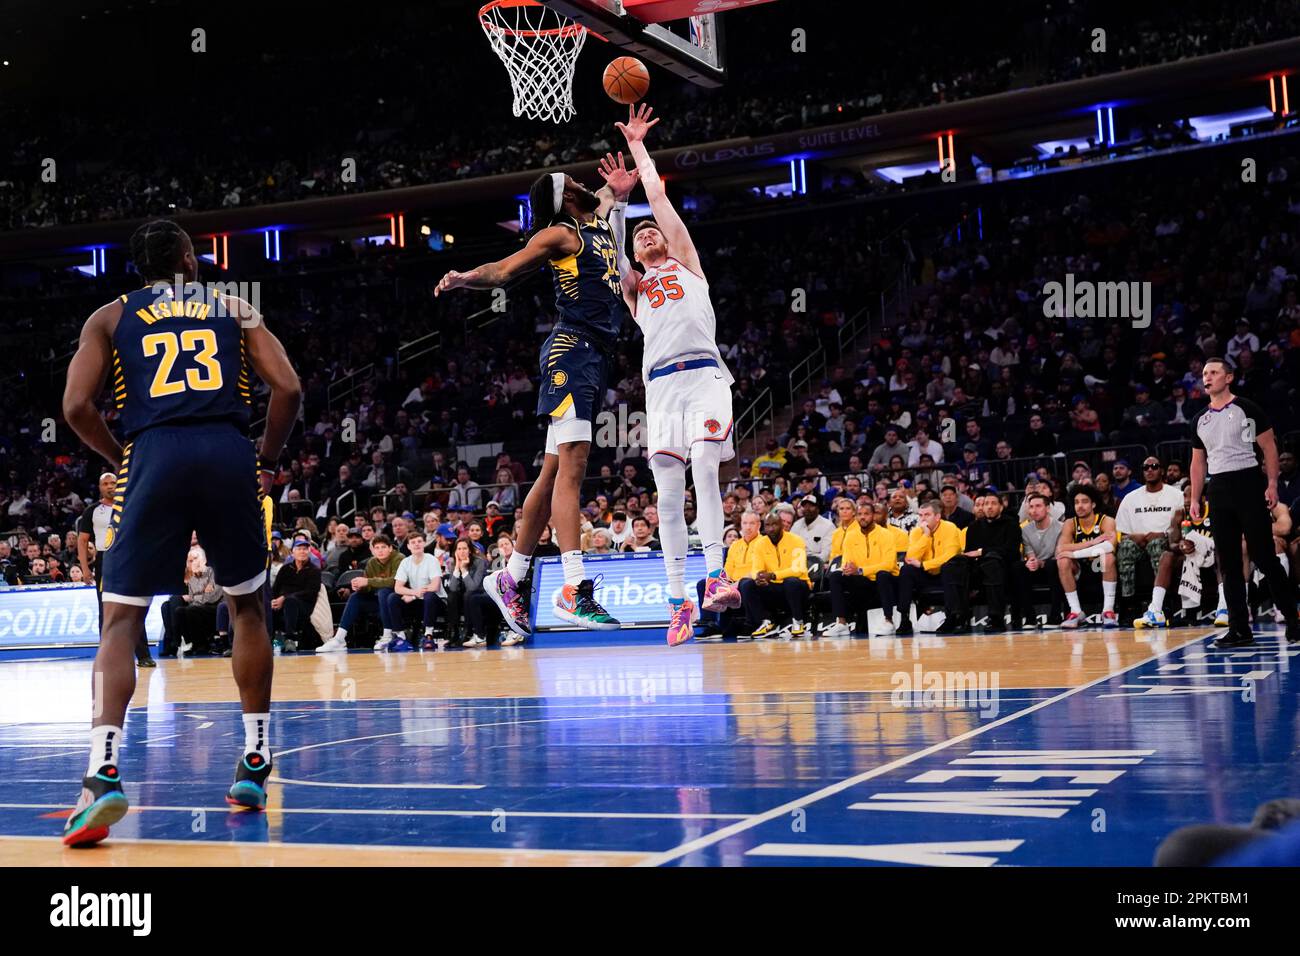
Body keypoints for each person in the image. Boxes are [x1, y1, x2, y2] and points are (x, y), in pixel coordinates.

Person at [59, 219, 301, 845]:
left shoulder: (108, 318)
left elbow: (76, 408)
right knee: (247, 606)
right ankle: (254, 760)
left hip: (154, 452)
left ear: (137, 269)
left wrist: (121, 459)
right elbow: (289, 387)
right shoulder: (233, 306)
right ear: (191, 260)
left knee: (121, 622)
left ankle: (103, 774)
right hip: (227, 449)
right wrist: (267, 460)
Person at [437, 152, 637, 639]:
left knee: (550, 475)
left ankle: (512, 575)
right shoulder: (561, 234)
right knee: (573, 466)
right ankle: (573, 588)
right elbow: (504, 270)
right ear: (564, 197)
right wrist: (466, 277)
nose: (586, 182)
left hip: (595, 356)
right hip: (572, 352)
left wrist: (625, 185)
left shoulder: (595, 223)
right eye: (575, 181)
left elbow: (612, 195)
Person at [607, 104, 738, 647]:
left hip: (705, 375)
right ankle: (677, 597)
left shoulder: (685, 261)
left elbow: (657, 200)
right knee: (664, 492)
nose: (645, 235)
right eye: (639, 237)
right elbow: (614, 250)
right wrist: (616, 203)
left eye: (649, 233)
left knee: (705, 462)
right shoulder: (634, 288)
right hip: (659, 388)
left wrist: (638, 148)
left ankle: (717, 576)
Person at [1189, 358, 1300, 647]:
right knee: (1228, 562)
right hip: (1219, 488)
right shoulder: (1199, 419)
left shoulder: (1247, 409)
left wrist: (1272, 483)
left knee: (1264, 557)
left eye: (1213, 372)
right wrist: (1195, 497)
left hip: (1248, 482)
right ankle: (1240, 628)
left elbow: (1268, 447)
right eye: (1204, 374)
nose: (1207, 377)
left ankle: (1292, 619)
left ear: (1229, 378)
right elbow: (1198, 462)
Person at [77, 471, 154, 667]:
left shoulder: (129, 506)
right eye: (106, 484)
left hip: (129, 558)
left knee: (135, 606)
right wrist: (85, 569)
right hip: (105, 559)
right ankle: (108, 656)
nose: (110, 486)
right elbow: (83, 540)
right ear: (100, 487)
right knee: (106, 609)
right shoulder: (92, 511)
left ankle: (144, 655)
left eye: (113, 483)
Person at [1115, 456, 1184, 614]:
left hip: (1166, 541)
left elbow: (1182, 525)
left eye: (1154, 466)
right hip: (1136, 543)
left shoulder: (1176, 495)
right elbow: (1120, 531)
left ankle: (1161, 603)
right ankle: (1128, 605)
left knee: (1156, 545)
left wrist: (1163, 535)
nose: (1150, 470)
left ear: (1162, 471)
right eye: (1146, 467)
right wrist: (1133, 537)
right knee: (1125, 547)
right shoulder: (1130, 498)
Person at [823, 496, 899, 637]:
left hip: (886, 581)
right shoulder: (851, 536)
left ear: (873, 516)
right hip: (863, 580)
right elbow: (847, 562)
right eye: (859, 514)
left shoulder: (886, 535)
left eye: (866, 514)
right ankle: (841, 623)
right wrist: (847, 569)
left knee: (883, 574)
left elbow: (889, 565)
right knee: (836, 576)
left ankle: (889, 621)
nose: (862, 517)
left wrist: (860, 570)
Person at [318, 534, 402, 651]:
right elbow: (369, 587)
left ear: (390, 548)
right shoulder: (372, 562)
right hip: (380, 603)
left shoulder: (399, 558)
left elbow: (394, 582)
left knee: (384, 592)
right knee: (355, 597)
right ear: (372, 551)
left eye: (383, 547)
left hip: (398, 601)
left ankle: (387, 635)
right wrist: (359, 586)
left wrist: (367, 581)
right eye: (377, 548)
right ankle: (339, 639)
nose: (380, 551)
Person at [736, 512, 810, 639]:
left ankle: (798, 621)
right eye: (768, 525)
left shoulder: (796, 540)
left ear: (782, 525)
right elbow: (756, 569)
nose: (771, 529)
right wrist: (758, 577)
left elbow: (798, 569)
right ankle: (766, 621)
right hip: (773, 587)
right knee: (746, 583)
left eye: (774, 524)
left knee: (791, 581)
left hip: (798, 587)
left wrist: (773, 575)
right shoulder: (760, 543)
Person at [957, 491, 1022, 632]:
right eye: (986, 504)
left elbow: (1011, 552)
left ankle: (996, 619)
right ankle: (958, 618)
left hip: (1003, 569)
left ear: (1001, 507)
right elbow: (969, 553)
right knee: (956, 564)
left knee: (992, 561)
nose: (989, 507)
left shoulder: (1011, 524)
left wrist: (982, 552)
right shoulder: (974, 527)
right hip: (978, 569)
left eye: (993, 503)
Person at [1056, 486, 1119, 629]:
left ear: (1093, 504)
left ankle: (1108, 611)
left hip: (1099, 566)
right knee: (1062, 560)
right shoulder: (1070, 523)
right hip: (1080, 568)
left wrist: (1074, 553)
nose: (1080, 505)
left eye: (1084, 501)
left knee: (1107, 557)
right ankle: (1076, 611)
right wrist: (1092, 542)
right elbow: (1061, 548)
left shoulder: (1106, 520)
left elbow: (1109, 546)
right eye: (1076, 502)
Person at [385, 530, 443, 651]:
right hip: (416, 602)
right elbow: (398, 587)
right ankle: (400, 637)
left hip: (436, 602)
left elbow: (435, 586)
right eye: (413, 542)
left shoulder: (432, 560)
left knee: (429, 595)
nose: (416, 544)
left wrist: (413, 596)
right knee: (392, 598)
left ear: (424, 543)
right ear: (408, 546)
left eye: (419, 541)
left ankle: (429, 635)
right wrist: (414, 594)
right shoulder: (405, 562)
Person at [1017, 493, 1065, 628]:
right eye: (1031, 507)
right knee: (1019, 567)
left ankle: (1055, 616)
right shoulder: (1025, 530)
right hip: (1037, 567)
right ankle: (1029, 619)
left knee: (1053, 564)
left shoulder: (1061, 527)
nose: (1034, 510)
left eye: (1038, 506)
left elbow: (1059, 554)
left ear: (1048, 508)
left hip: (1055, 567)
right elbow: (1029, 553)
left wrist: (1040, 562)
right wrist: (1031, 561)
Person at [271, 537, 322, 652]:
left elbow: (311, 592)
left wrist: (284, 598)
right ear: (292, 552)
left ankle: (290, 639)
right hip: (282, 604)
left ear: (309, 551)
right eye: (299, 549)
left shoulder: (314, 570)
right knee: (269, 605)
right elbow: (275, 589)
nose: (302, 551)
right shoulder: (285, 569)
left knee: (290, 601)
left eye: (305, 549)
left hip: (304, 605)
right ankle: (270, 641)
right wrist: (273, 600)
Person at [444, 539, 489, 646]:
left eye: (465, 548)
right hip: (462, 597)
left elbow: (473, 587)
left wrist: (463, 569)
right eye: (459, 549)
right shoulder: (453, 563)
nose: (462, 551)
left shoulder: (479, 562)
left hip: (477, 596)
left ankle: (468, 632)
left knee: (468, 594)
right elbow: (453, 588)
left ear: (469, 550)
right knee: (452, 596)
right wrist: (456, 568)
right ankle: (454, 633)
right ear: (455, 552)